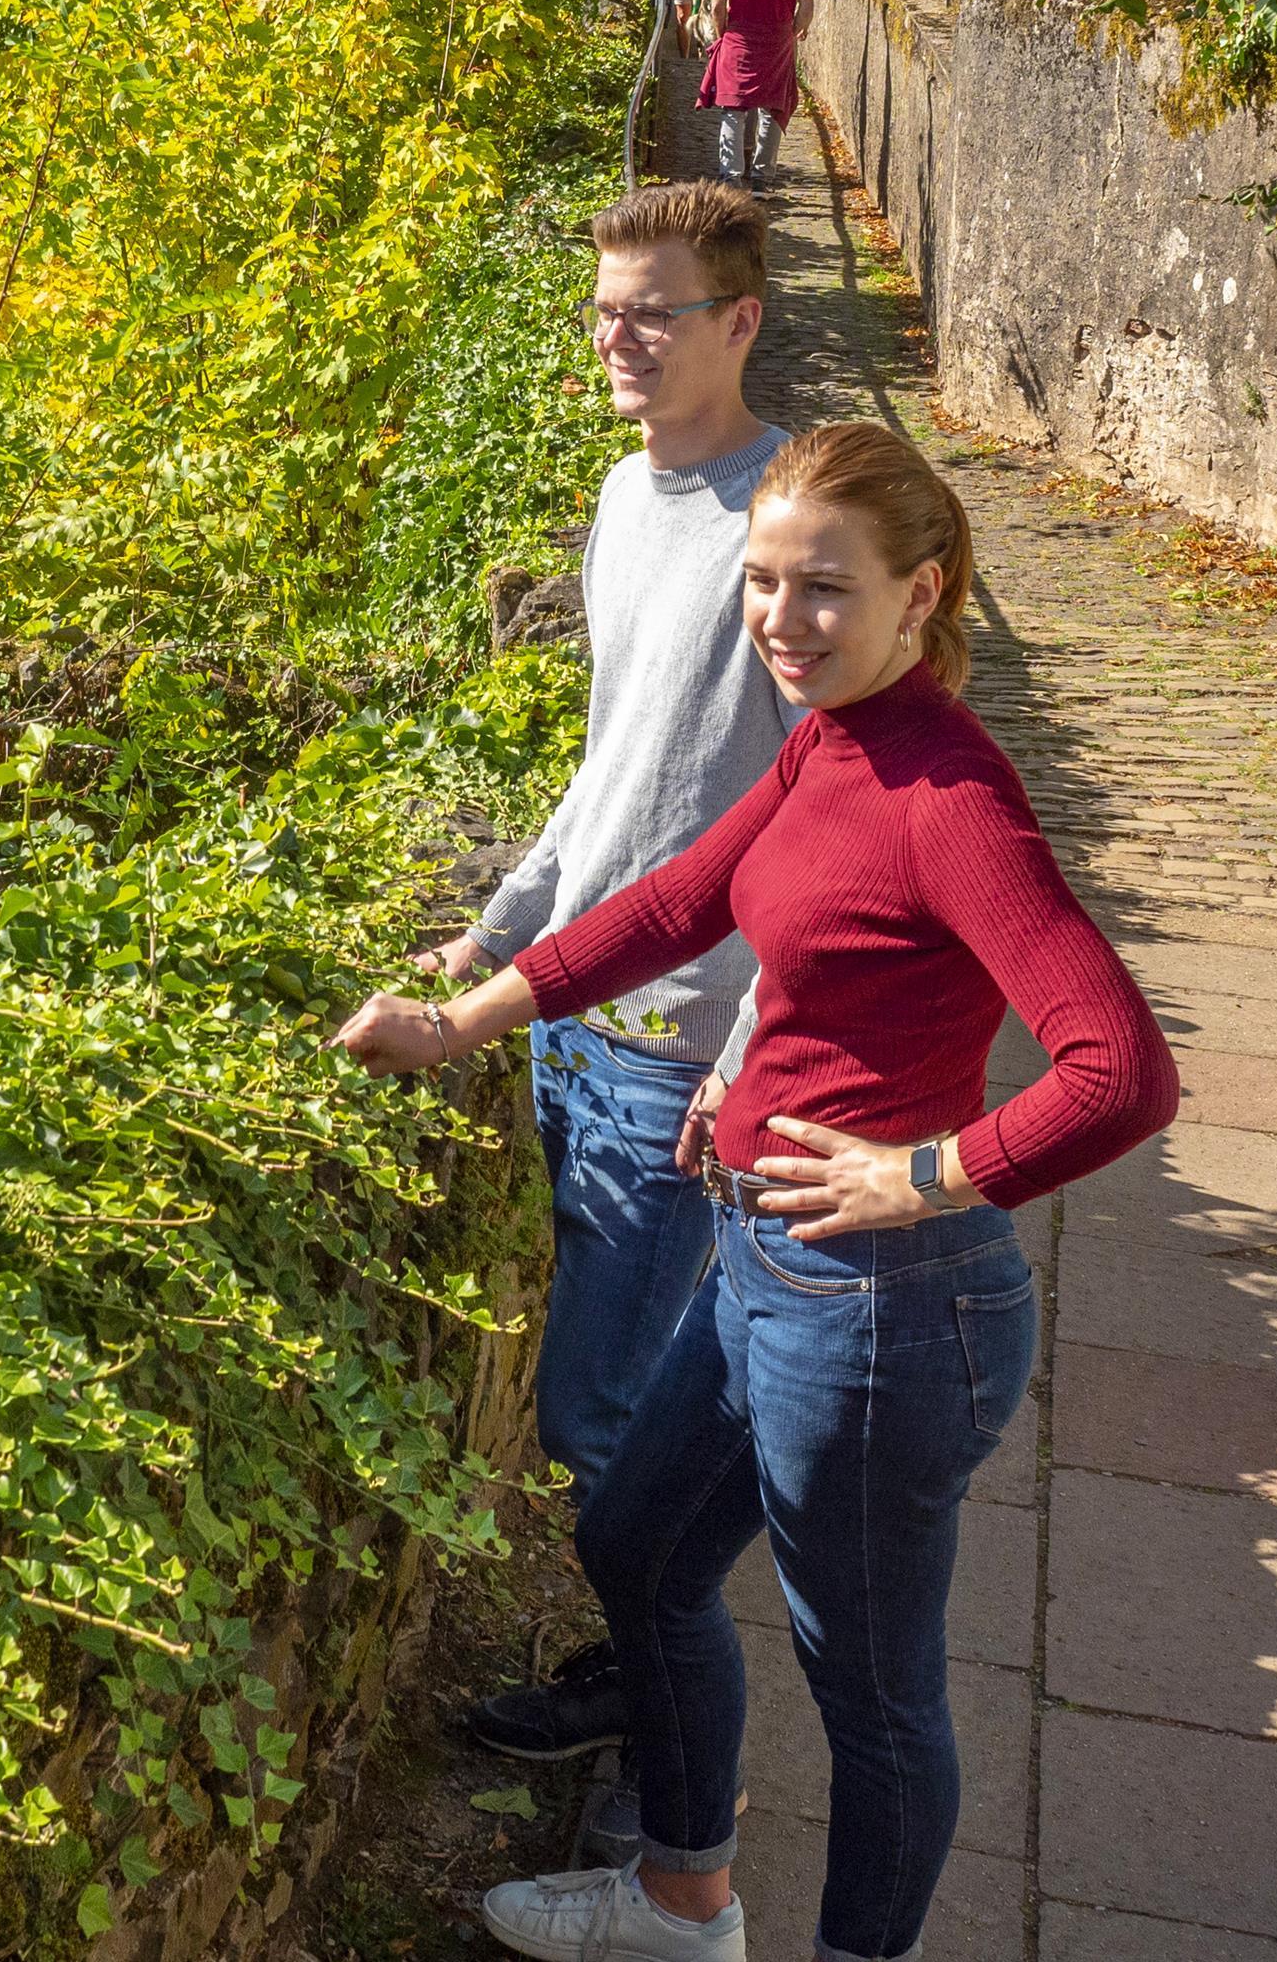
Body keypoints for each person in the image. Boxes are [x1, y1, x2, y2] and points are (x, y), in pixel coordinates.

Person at [336, 422, 1177, 1962]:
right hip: (762, 1263)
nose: (782, 620)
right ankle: (683, 1905)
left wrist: (930, 1174)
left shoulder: (951, 799)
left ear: (922, 594)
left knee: (873, 1699)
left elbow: (1119, 1071)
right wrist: (459, 1020)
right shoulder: (828, 741)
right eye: (763, 581)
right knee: (639, 1551)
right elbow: (681, 900)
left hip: (882, 1314)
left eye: (824, 588)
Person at [428, 182, 795, 1766]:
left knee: (608, 1414)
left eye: (653, 310)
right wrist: (504, 926)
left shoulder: (788, 528)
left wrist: (756, 1039)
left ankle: (668, 1774)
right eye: (604, 311)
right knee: (615, 1400)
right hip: (574, 1012)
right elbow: (615, 762)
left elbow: (837, 818)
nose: (618, 337)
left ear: (740, 321)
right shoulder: (624, 495)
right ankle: (646, 1690)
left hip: (679, 1041)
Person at [696, 0, 813, 192]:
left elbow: (718, 2)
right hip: (777, 40)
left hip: (739, 37)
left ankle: (731, 178)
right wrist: (792, 32)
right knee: (772, 108)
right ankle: (762, 180)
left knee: (733, 108)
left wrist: (723, 33)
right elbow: (807, 5)